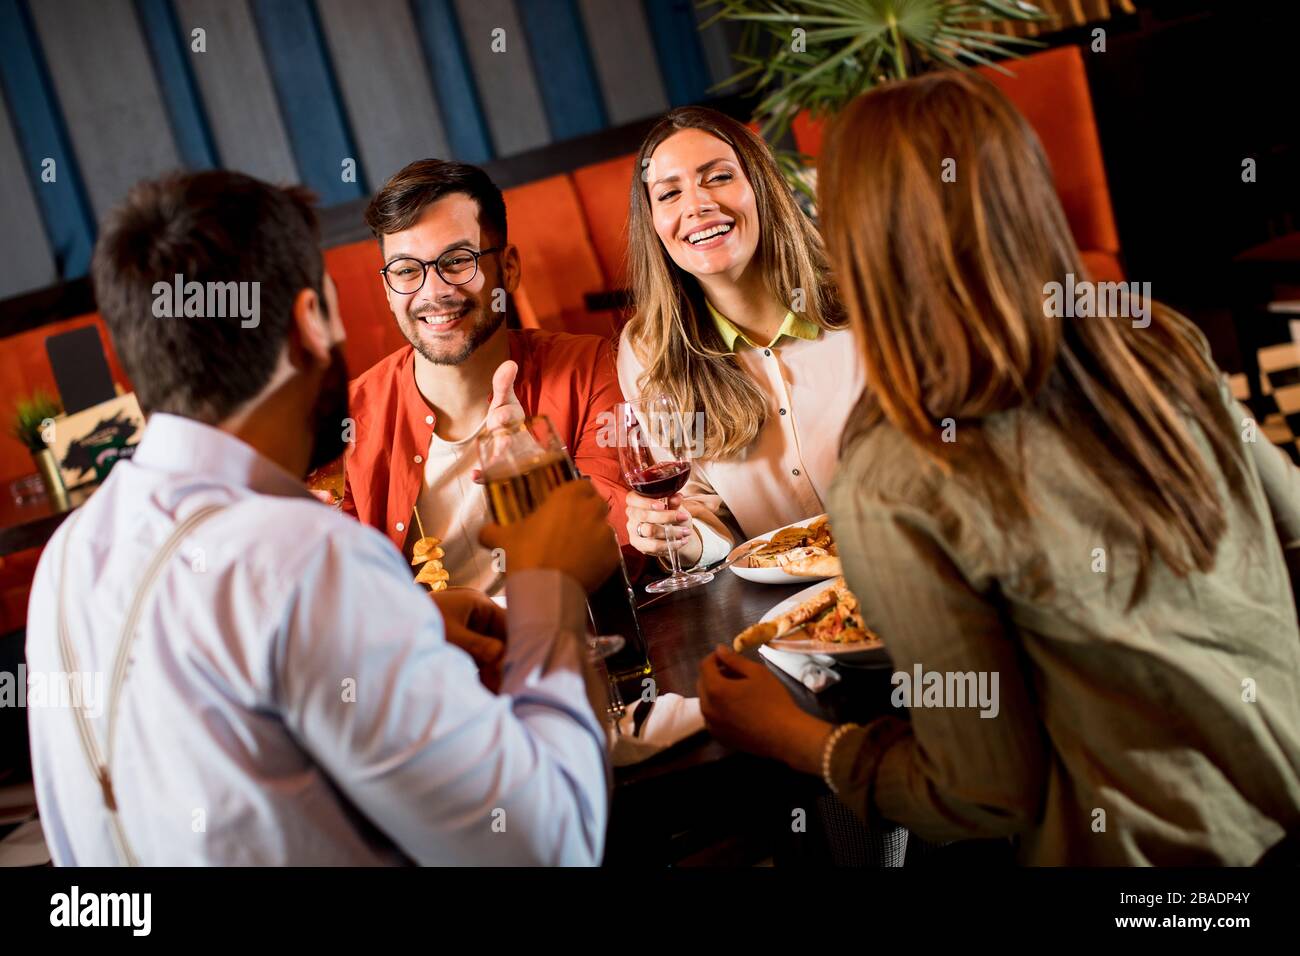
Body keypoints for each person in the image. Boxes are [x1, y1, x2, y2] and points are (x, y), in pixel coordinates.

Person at [697, 71, 1300, 865]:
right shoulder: (1154, 339)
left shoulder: (897, 470)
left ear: (853, 238)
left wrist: (801, 741)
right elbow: (1290, 529)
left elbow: (983, 794)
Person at [25, 170, 619, 865]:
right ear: (312, 321)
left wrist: (413, 623)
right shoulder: (305, 556)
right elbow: (547, 841)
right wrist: (545, 585)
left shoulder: (67, 559)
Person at [343, 159, 629, 593]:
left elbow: (625, 548)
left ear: (508, 268)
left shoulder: (588, 370)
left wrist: (541, 476)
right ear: (387, 288)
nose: (434, 292)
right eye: (405, 270)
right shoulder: (346, 421)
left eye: (458, 261)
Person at [616, 107, 862, 568]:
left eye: (719, 177)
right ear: (654, 224)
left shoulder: (862, 295)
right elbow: (703, 509)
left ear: (761, 188)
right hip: (795, 608)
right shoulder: (650, 351)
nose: (696, 206)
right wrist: (683, 535)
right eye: (669, 193)